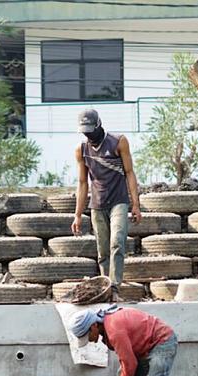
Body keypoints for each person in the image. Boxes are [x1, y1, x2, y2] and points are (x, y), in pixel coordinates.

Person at [71, 109, 142, 286]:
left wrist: (135, 204)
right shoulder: (81, 149)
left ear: (98, 125)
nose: (88, 134)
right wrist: (78, 215)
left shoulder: (118, 142)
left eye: (90, 130)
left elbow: (129, 172)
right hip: (97, 204)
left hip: (119, 201)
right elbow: (82, 183)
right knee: (103, 250)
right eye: (84, 131)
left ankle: (115, 286)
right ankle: (106, 286)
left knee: (117, 242)